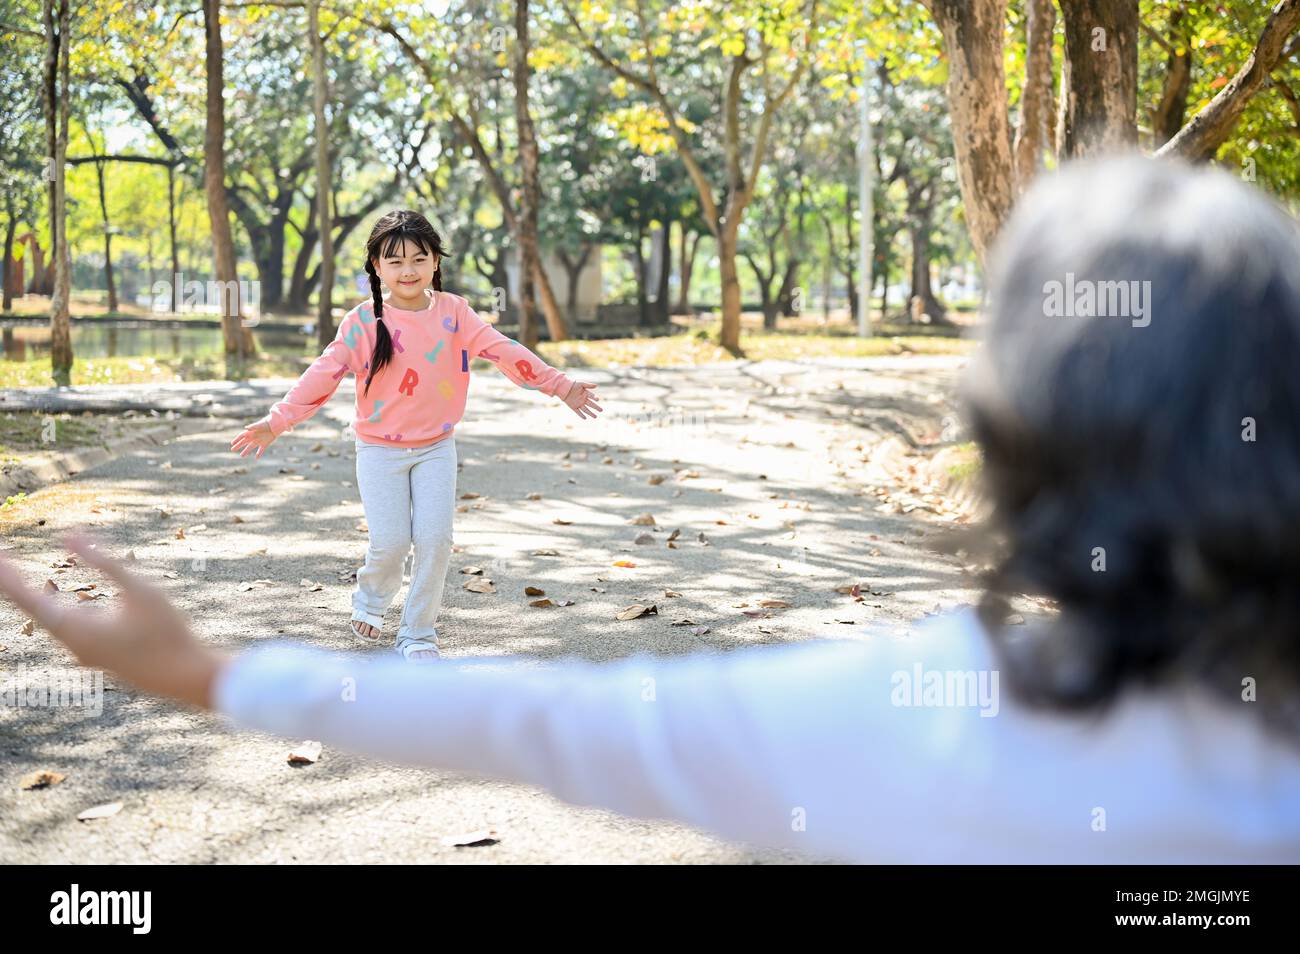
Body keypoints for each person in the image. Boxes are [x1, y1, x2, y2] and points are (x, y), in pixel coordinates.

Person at [3, 155, 1299, 862]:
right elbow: (330, 379)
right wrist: (280, 419)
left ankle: (399, 616)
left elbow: (549, 722)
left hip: (436, 466)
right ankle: (381, 600)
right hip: (381, 459)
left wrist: (212, 675)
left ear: (1002, 436)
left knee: (430, 549)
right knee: (399, 541)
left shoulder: (902, 712)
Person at [229, 211, 603, 661]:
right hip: (378, 450)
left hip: (435, 448)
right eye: (395, 261)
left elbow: (504, 350)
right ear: (376, 266)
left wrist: (560, 385)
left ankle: (418, 633)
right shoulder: (363, 321)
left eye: (419, 259)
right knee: (390, 543)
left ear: (435, 263)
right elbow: (323, 374)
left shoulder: (454, 313)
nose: (408, 271)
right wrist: (278, 420)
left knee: (434, 540)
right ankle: (370, 599)